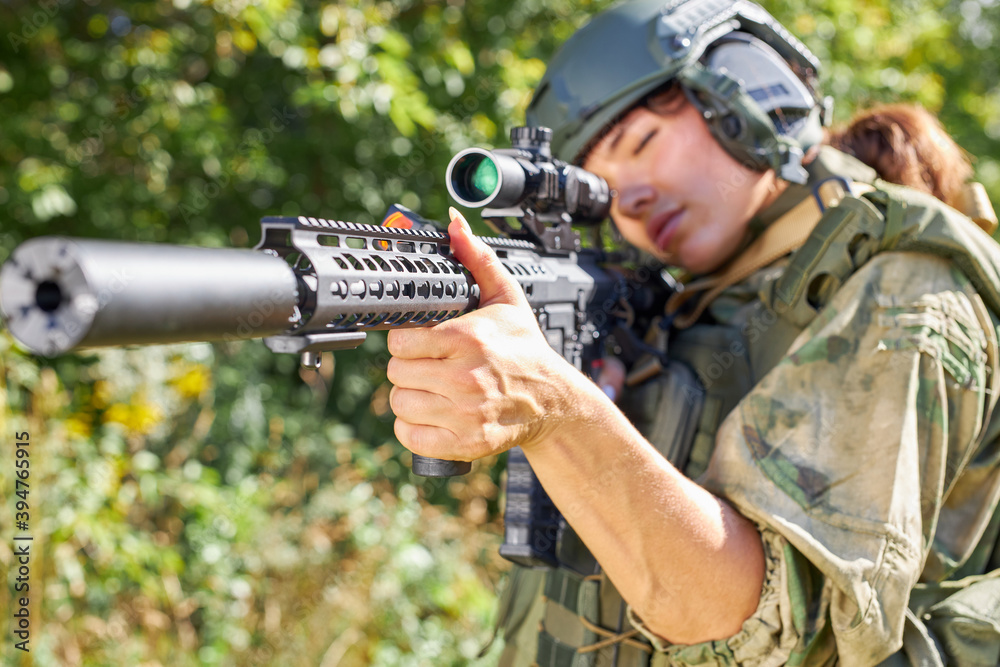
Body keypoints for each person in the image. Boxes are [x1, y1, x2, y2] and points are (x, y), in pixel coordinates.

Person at [386, 0, 1000, 665]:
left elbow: (775, 633)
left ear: (748, 96)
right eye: (605, 186)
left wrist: (562, 414)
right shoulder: (698, 305)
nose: (630, 199)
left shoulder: (901, 290)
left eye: (642, 143)